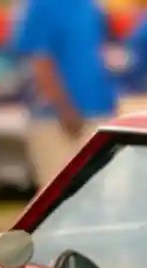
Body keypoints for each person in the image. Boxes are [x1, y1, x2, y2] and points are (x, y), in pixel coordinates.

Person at [11, 0, 119, 187]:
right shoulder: (41, 6)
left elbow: (98, 54)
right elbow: (40, 62)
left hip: (98, 112)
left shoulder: (90, 7)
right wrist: (65, 110)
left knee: (102, 193)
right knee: (60, 194)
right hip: (54, 120)